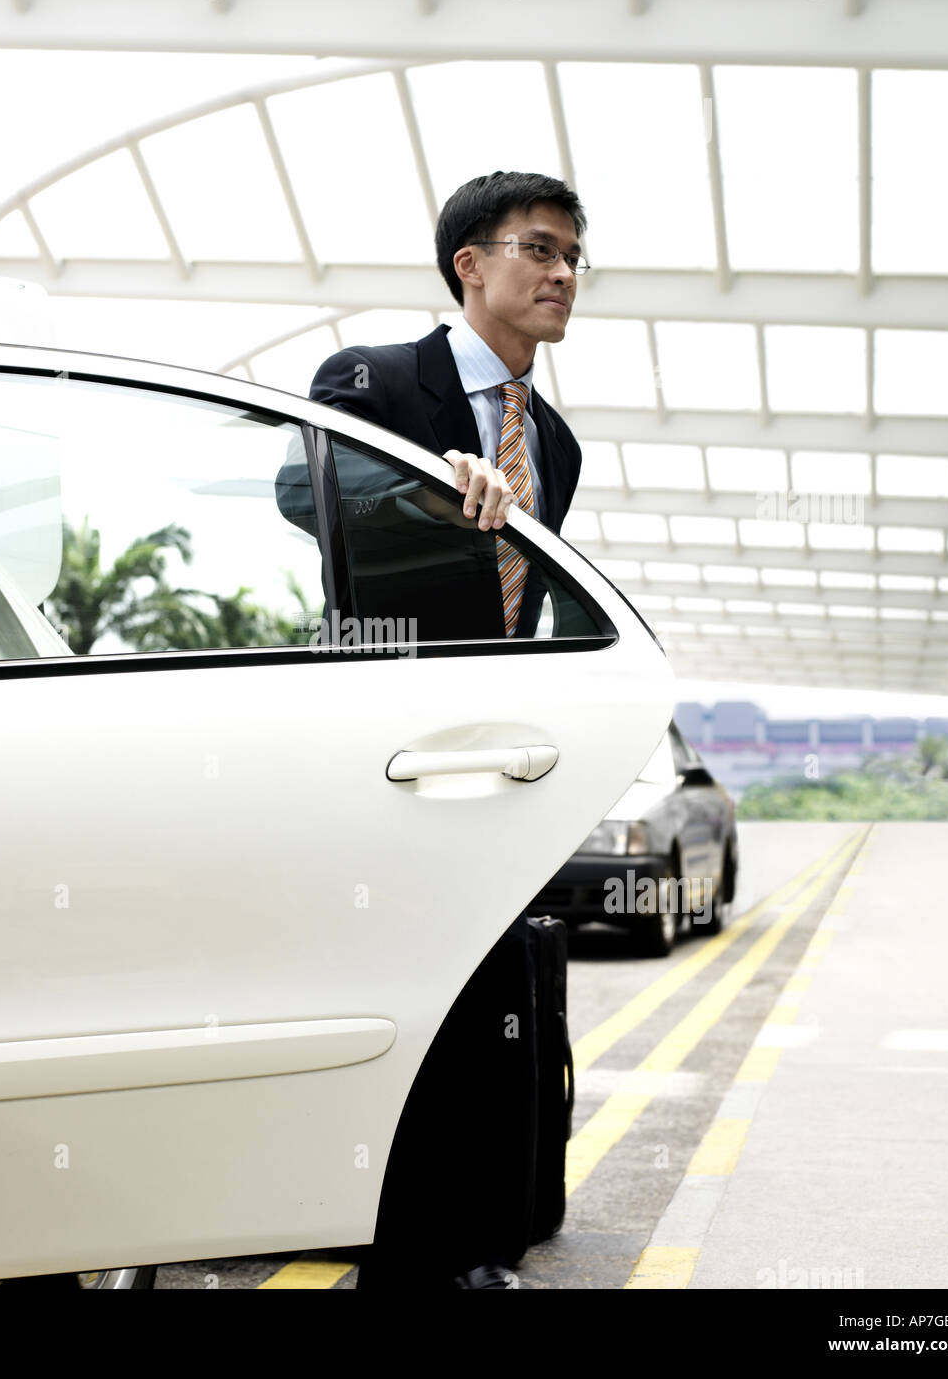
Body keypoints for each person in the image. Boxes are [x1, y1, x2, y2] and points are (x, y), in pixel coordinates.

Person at [308, 169, 589, 1288]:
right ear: (468, 265)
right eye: (538, 249)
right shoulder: (373, 379)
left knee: (488, 1003)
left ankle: (470, 1245)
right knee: (396, 1004)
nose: (563, 274)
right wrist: (426, 482)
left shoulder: (553, 443)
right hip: (383, 743)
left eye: (573, 257)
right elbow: (307, 492)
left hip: (497, 760)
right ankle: (394, 1245)